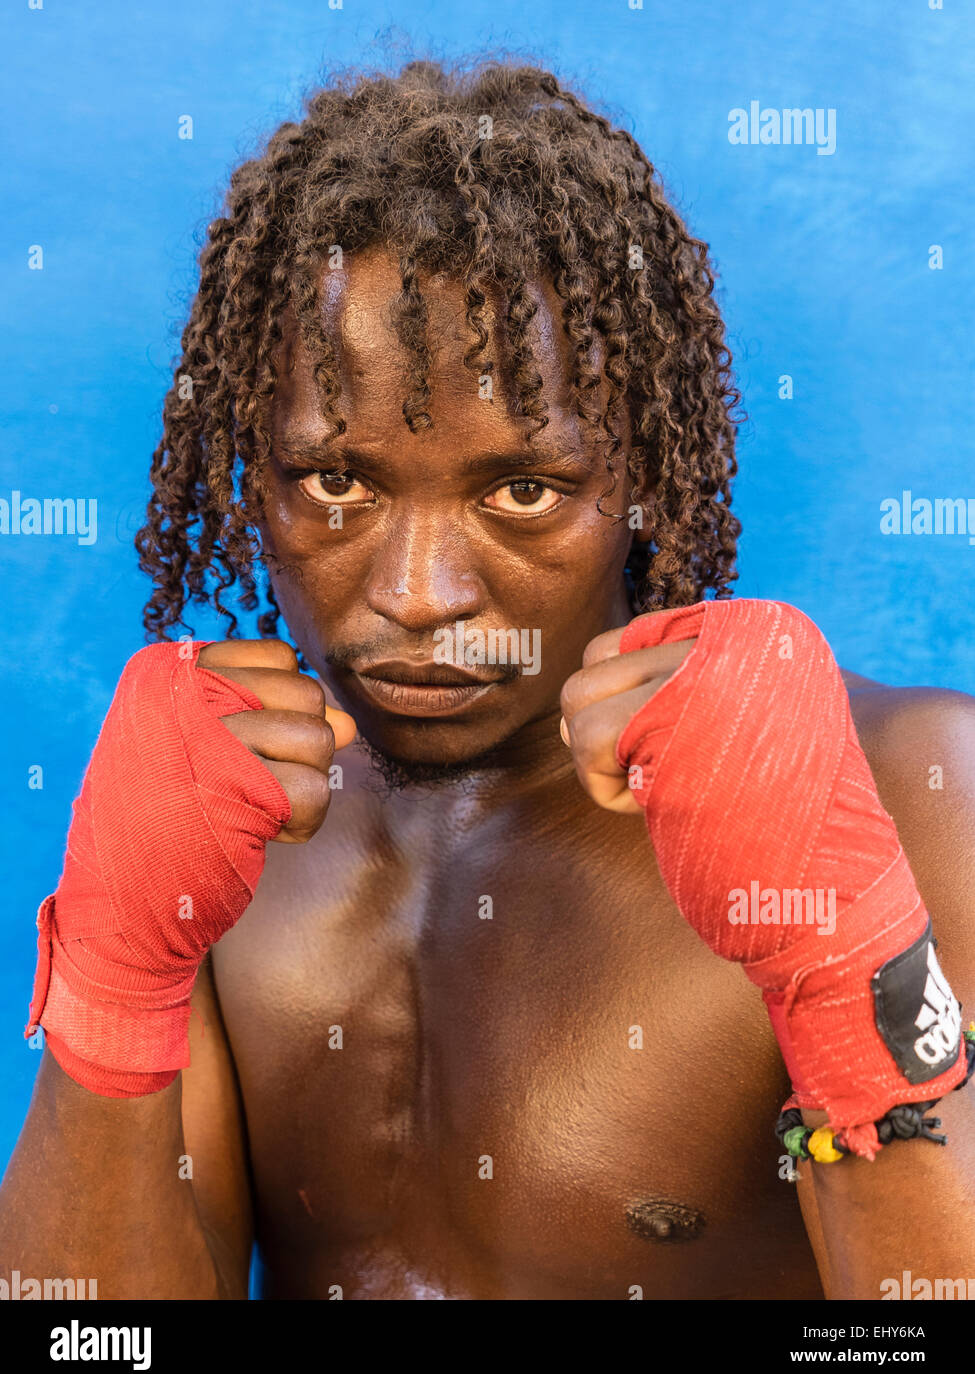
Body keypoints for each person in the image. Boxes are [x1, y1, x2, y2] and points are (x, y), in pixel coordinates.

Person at [3, 58, 975, 1302]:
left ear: (646, 482)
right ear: (252, 477)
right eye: (336, 482)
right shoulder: (220, 834)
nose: (417, 595)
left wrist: (859, 984)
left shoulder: (916, 790)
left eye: (523, 490)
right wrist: (109, 982)